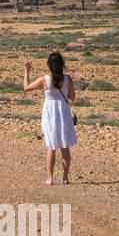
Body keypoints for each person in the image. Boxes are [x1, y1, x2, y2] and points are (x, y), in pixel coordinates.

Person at [23, 52, 76, 185]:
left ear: (49, 65)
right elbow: (73, 97)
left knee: (51, 147)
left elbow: (26, 87)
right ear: (62, 64)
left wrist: (26, 71)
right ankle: (65, 177)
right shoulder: (68, 79)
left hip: (50, 114)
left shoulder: (44, 79)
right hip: (63, 112)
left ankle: (50, 178)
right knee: (65, 147)